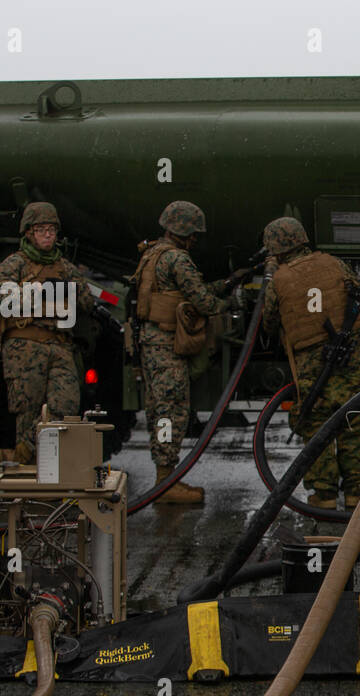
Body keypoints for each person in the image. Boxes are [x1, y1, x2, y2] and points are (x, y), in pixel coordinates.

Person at [133, 200, 247, 504]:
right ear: (182, 230)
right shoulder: (177, 259)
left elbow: (188, 290)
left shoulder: (152, 255)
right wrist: (232, 303)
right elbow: (203, 302)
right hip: (168, 345)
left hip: (152, 342)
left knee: (159, 411)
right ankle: (166, 483)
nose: (196, 238)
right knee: (171, 411)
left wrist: (226, 283)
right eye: (193, 232)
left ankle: (164, 478)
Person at [260, 217, 360, 511]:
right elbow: (358, 294)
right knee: (352, 418)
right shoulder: (335, 264)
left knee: (315, 423)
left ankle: (323, 495)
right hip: (348, 355)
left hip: (311, 365)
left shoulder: (280, 279)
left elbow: (269, 322)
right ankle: (357, 492)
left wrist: (271, 276)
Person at [0, 201, 97, 464]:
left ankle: (26, 456)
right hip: (25, 345)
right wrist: (38, 292)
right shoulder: (15, 264)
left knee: (66, 406)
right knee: (27, 410)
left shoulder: (65, 267)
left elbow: (87, 301)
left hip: (60, 345)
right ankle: (28, 470)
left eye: (51, 230)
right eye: (41, 230)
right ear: (29, 233)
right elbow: (1, 294)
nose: (48, 235)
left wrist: (68, 291)